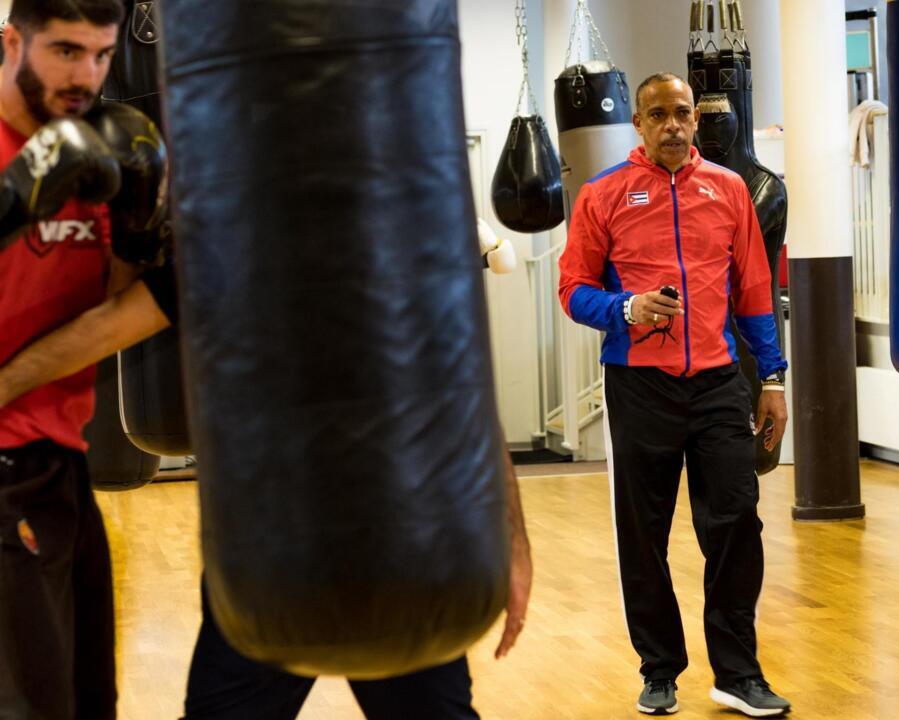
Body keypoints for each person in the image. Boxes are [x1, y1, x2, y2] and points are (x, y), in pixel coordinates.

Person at [0, 224, 532, 718]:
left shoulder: (401, 227)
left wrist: (514, 544)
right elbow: (108, 323)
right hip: (269, 556)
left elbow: (466, 395)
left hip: (400, 554)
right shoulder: (236, 226)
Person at [558, 72, 791, 717]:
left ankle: (738, 674)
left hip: (718, 381)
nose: (673, 125)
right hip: (640, 385)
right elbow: (573, 291)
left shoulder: (729, 189)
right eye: (658, 114)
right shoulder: (603, 194)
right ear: (638, 123)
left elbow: (753, 292)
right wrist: (627, 308)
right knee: (644, 533)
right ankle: (659, 668)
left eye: (682, 112)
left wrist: (771, 378)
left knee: (737, 523)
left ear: (695, 118)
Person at [0, 2, 138, 717]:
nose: (85, 75)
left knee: (90, 699)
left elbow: (126, 309)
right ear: (12, 42)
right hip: (2, 472)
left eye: (102, 55)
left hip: (63, 464)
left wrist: (140, 228)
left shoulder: (101, 155)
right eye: (64, 51)